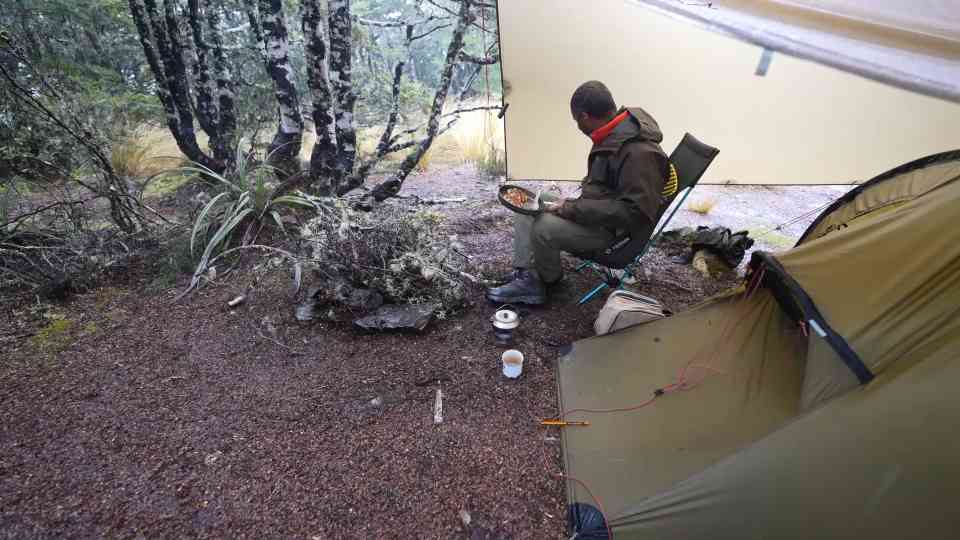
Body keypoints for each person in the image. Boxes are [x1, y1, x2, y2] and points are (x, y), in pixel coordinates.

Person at [487, 80, 671, 305]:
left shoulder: (639, 153)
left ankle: (550, 283)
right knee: (533, 203)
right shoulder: (615, 133)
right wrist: (572, 205)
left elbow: (634, 212)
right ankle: (527, 275)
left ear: (585, 116)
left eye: (576, 121)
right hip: (598, 215)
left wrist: (570, 207)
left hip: (615, 234)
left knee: (543, 227)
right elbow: (607, 191)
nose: (578, 126)